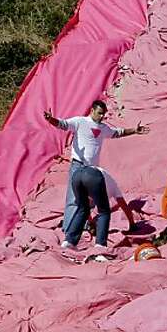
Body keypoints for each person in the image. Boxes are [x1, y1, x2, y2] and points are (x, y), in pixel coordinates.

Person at [44, 100, 147, 236]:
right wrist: (51, 119)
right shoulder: (80, 122)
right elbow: (62, 124)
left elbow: (117, 133)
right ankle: (68, 230)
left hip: (92, 169)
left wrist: (134, 130)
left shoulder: (103, 128)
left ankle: (84, 224)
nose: (102, 116)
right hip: (78, 165)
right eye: (99, 113)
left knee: (89, 200)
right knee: (73, 199)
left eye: (103, 114)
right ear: (92, 110)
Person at [62, 165, 110, 249]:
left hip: (77, 175)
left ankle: (69, 241)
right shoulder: (111, 184)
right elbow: (121, 201)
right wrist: (132, 224)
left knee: (82, 208)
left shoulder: (104, 177)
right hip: (92, 176)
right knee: (103, 211)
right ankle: (100, 245)